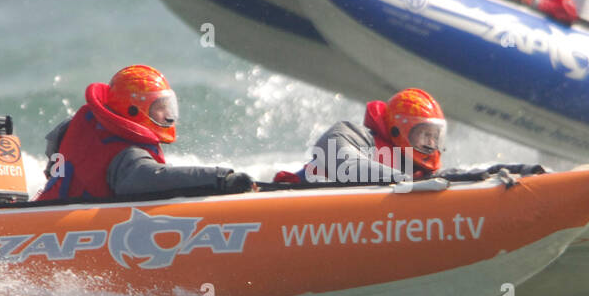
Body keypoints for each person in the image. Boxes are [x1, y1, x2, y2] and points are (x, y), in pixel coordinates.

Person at [37, 65, 256, 201]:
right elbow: (148, 179)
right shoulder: (124, 154)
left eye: (168, 107)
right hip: (63, 225)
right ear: (133, 110)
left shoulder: (82, 127)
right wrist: (221, 179)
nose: (167, 116)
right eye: (159, 108)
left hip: (48, 215)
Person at [276, 88, 446, 184]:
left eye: (435, 136)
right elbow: (337, 152)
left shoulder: (420, 173)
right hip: (293, 204)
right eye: (424, 134)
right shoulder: (358, 136)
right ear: (399, 129)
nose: (431, 142)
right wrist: (401, 179)